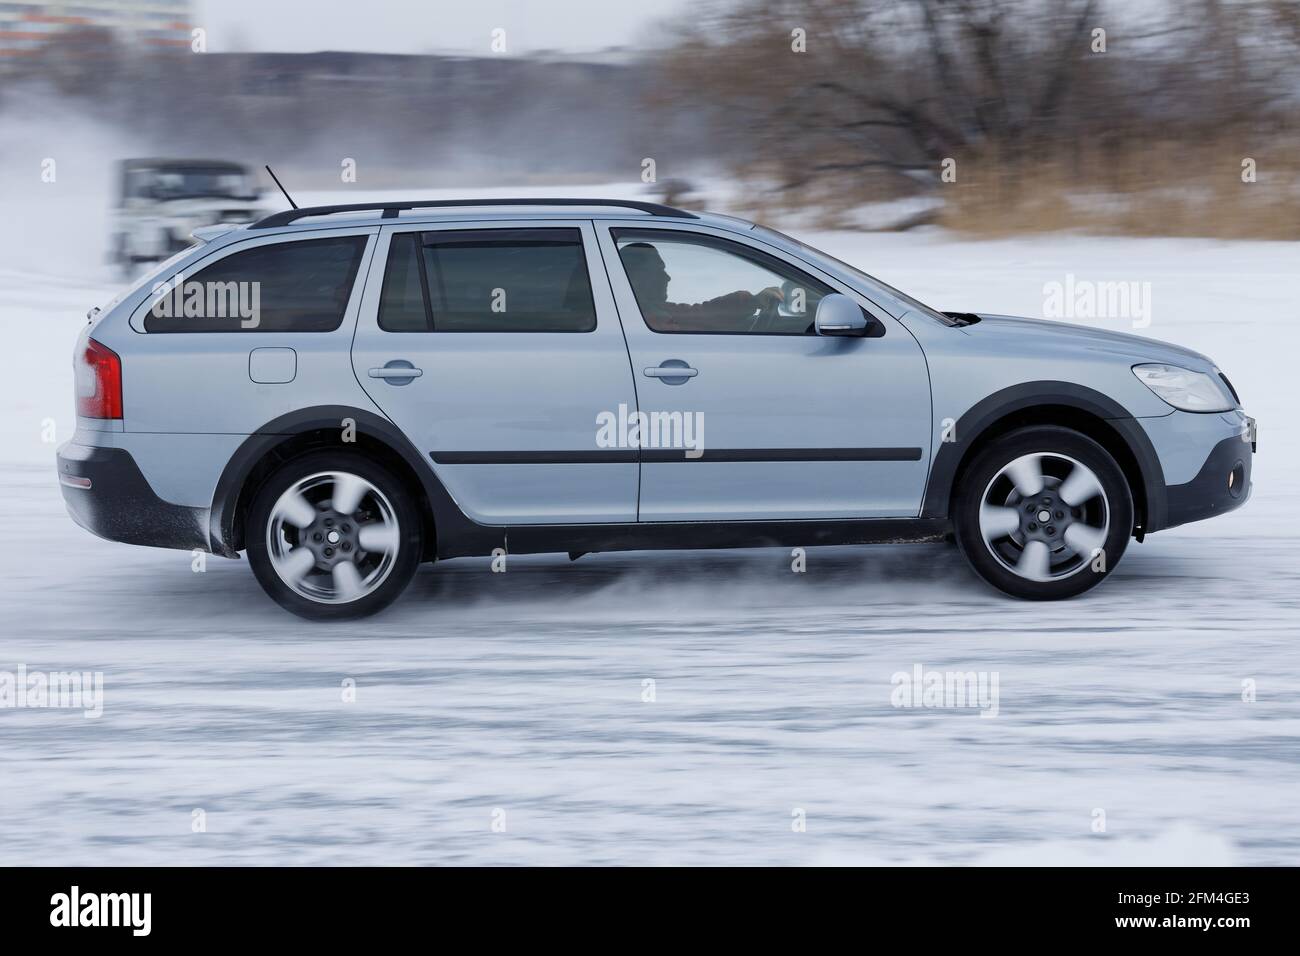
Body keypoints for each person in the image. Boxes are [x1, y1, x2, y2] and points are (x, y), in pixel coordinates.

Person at [618, 242, 784, 332]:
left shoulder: (649, 309)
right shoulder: (648, 320)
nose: (667, 277)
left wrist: (752, 301)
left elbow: (700, 313)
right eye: (658, 271)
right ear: (637, 280)